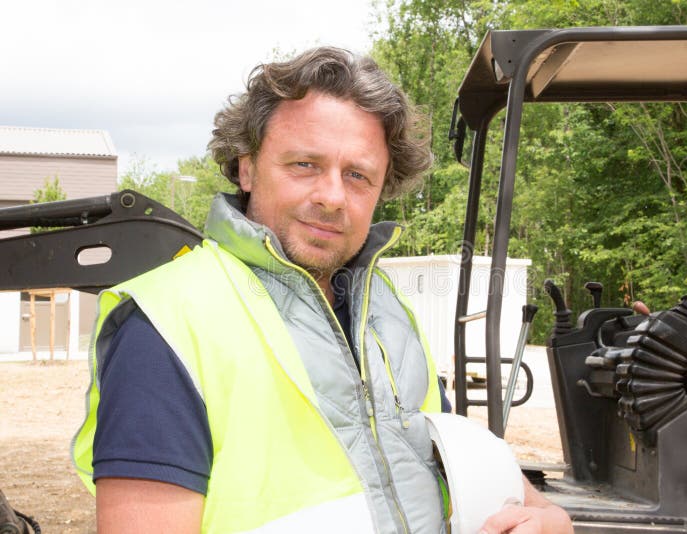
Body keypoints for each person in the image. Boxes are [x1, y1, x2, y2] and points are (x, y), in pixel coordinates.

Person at [72, 47, 572, 533]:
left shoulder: (387, 313)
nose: (333, 197)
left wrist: (542, 514)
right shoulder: (166, 325)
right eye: (305, 165)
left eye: (357, 175)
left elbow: (442, 454)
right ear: (246, 167)